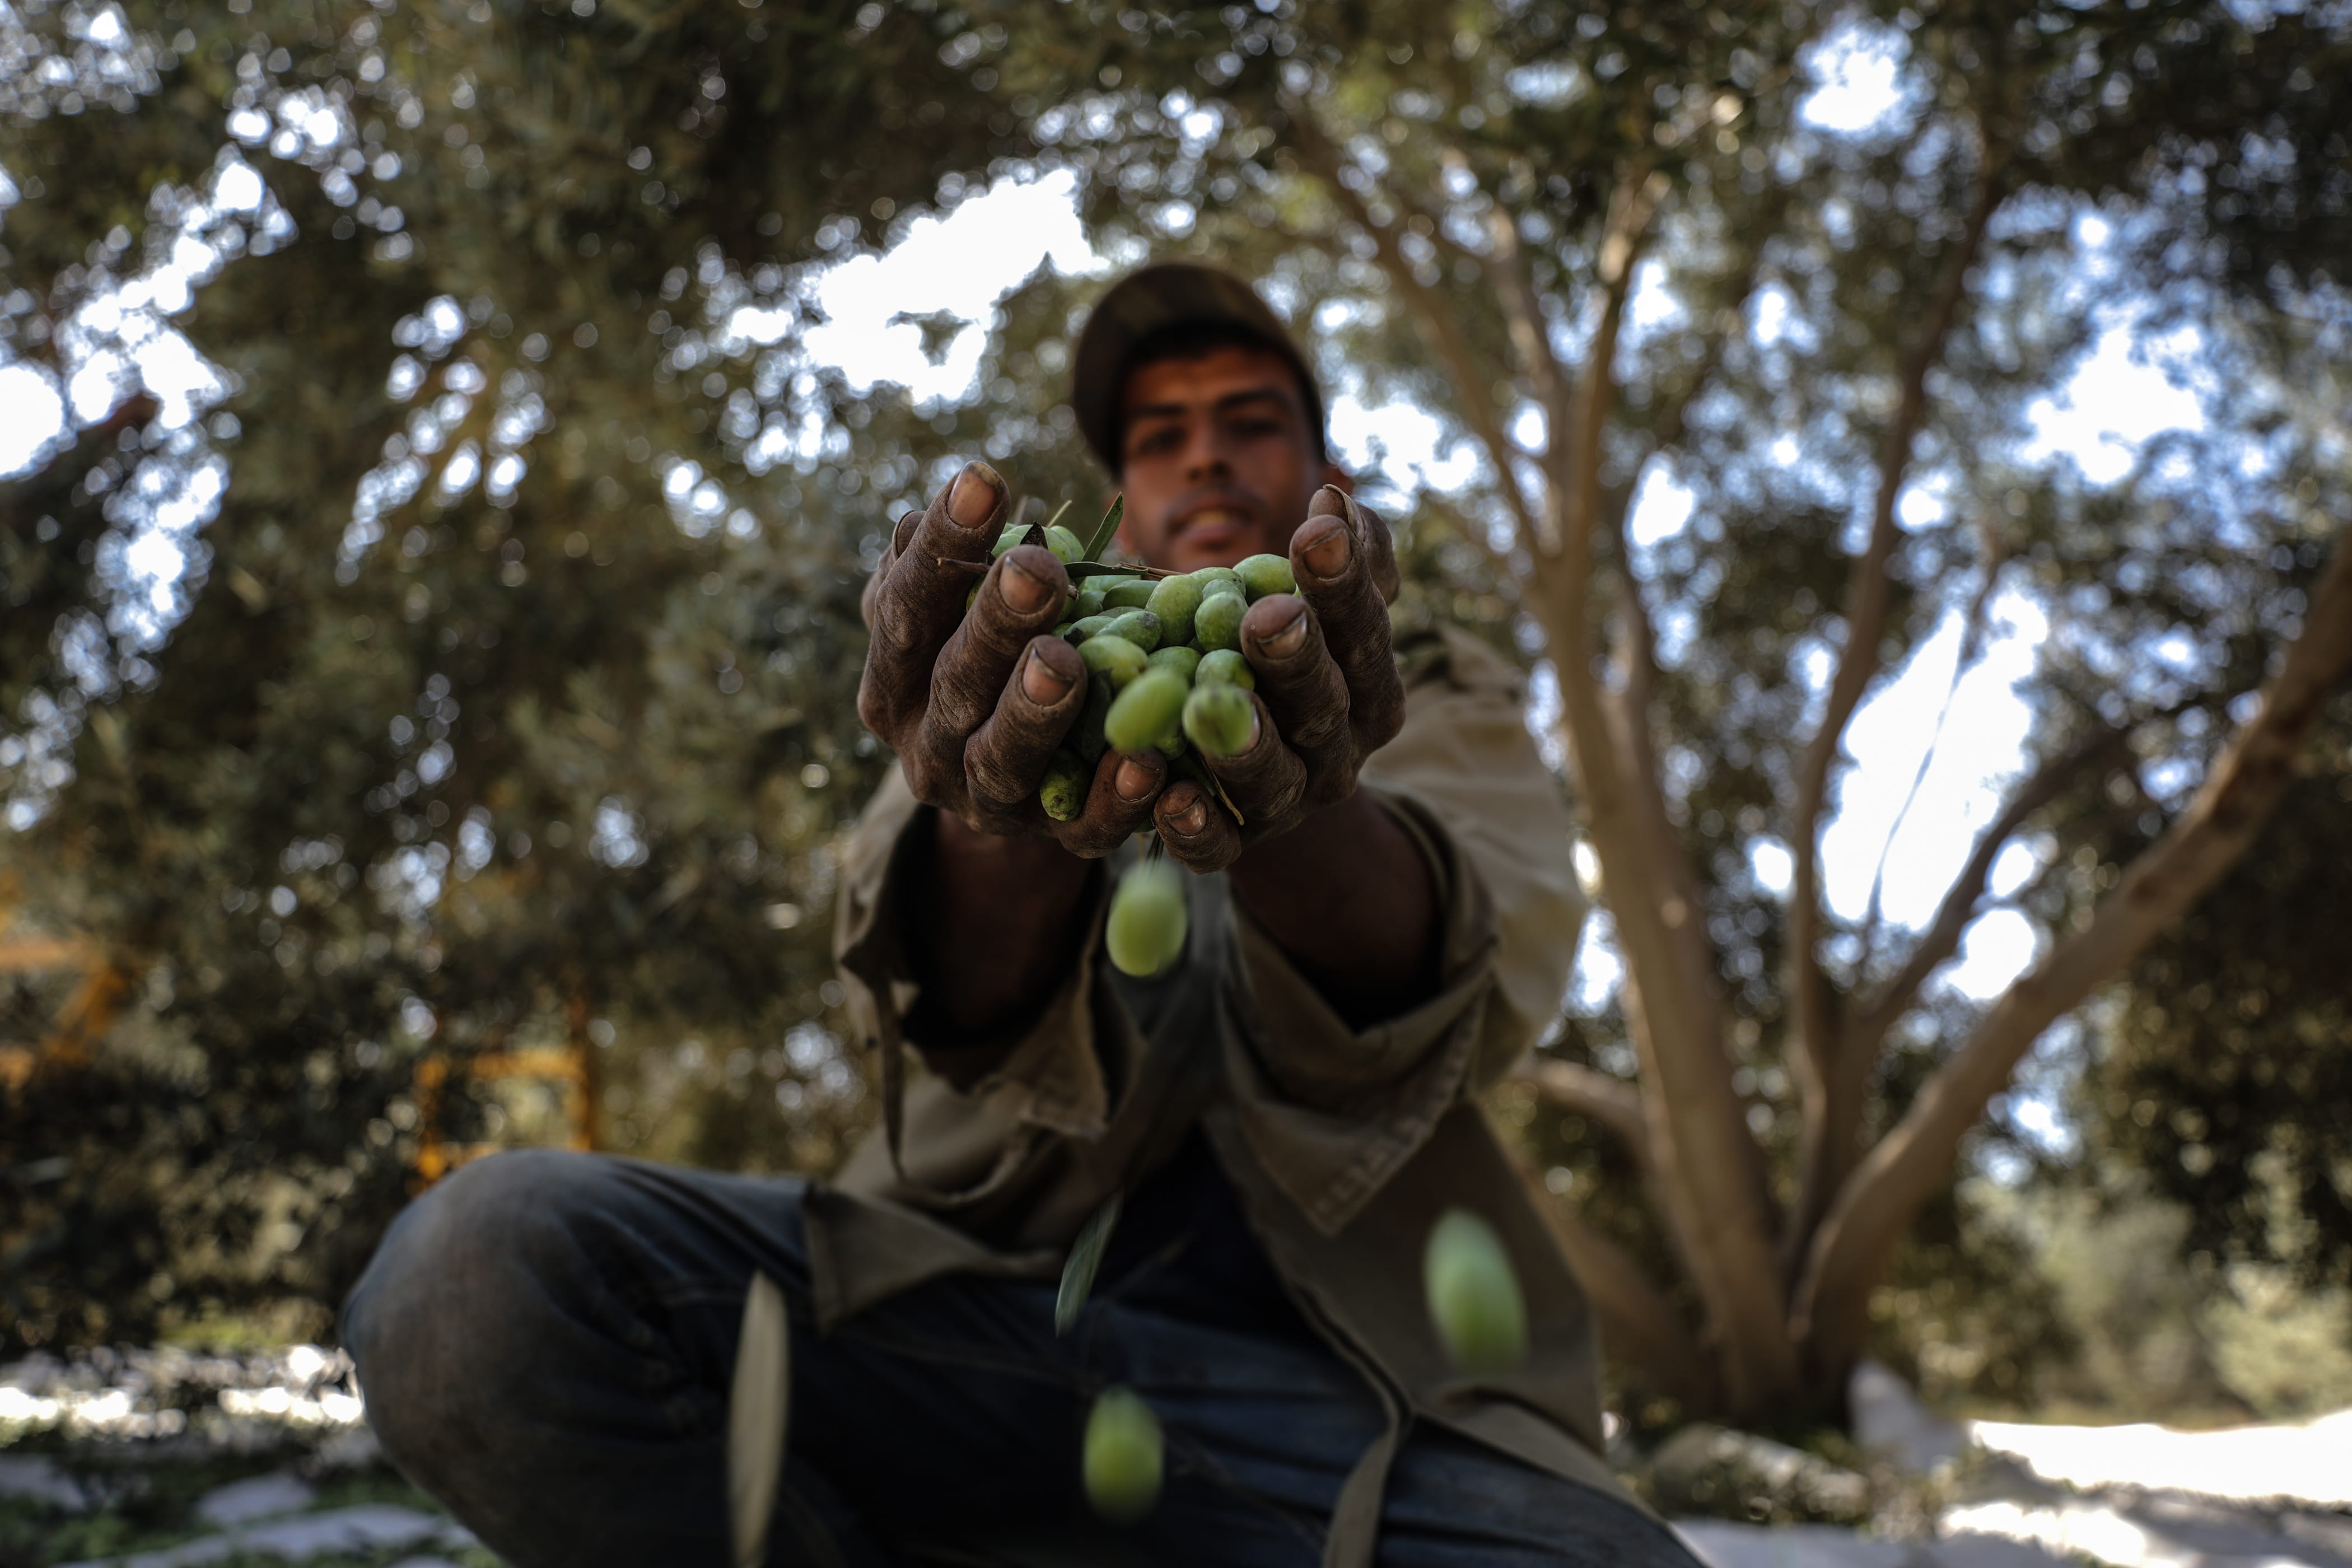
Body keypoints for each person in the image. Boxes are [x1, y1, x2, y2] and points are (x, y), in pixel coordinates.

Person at [342, 263, 1700, 1567]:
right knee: (475, 1279)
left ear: (1325, 471)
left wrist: (1312, 807)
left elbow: (1476, 976)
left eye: (1250, 424)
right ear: (1122, 488)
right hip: (949, 1333)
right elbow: (947, 996)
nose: (1205, 459)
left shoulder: (1438, 686)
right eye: (1161, 435)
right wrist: (1010, 815)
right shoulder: (993, 668)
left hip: (1341, 1405)